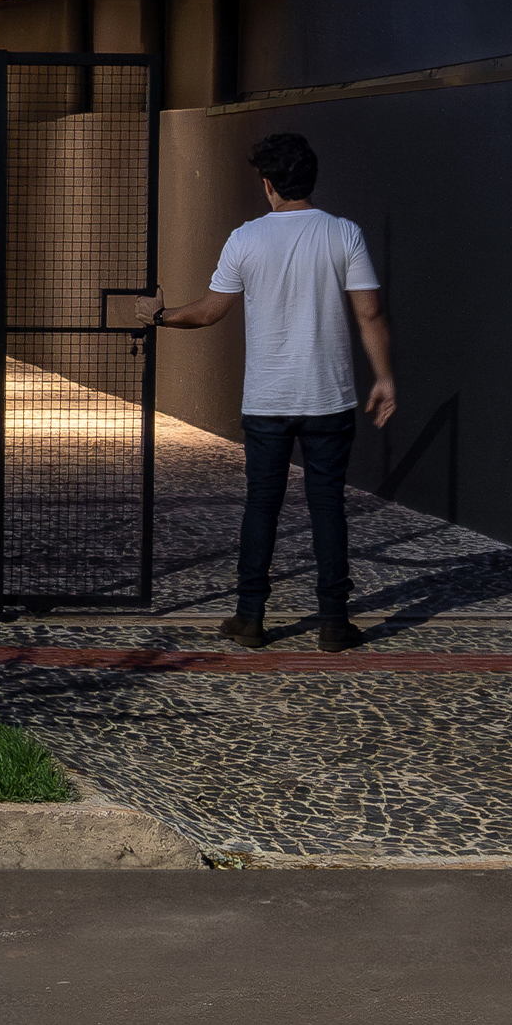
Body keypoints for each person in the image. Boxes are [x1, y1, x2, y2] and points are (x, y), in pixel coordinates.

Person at [147, 131, 396, 651]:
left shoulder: (246, 238)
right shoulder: (344, 233)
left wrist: (160, 316)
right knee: (328, 505)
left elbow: (210, 312)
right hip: (329, 399)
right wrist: (384, 377)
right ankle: (334, 622)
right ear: (310, 178)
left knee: (262, 506)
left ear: (267, 184)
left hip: (266, 401)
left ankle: (251, 616)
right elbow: (370, 312)